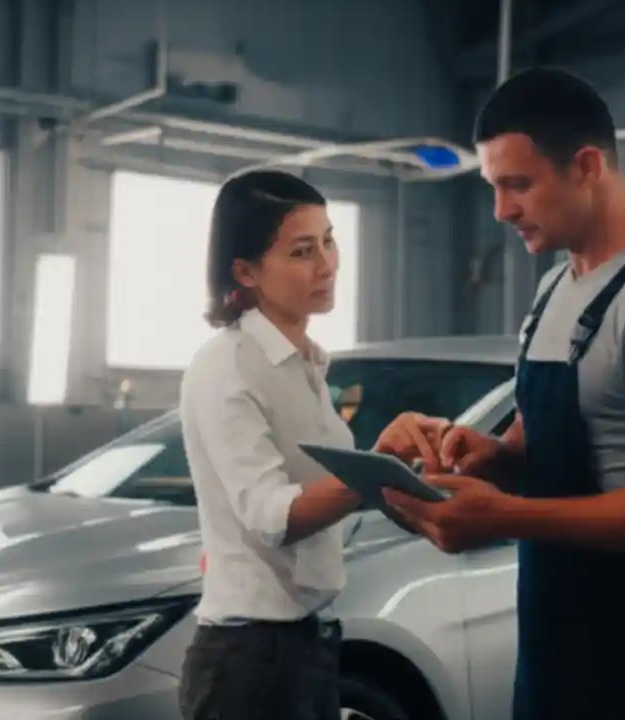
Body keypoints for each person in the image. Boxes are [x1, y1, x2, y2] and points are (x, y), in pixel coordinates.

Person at [383, 67, 625, 719]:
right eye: (493, 187)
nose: (500, 210)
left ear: (585, 167)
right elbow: (539, 443)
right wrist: (480, 453)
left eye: (517, 184)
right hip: (556, 639)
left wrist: (502, 517)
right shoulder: (557, 287)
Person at [177, 169, 426, 720]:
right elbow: (273, 516)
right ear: (244, 271)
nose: (327, 265)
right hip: (250, 660)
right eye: (301, 251)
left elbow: (331, 495)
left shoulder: (308, 363)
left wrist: (405, 473)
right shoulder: (227, 365)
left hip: (307, 644)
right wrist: (378, 468)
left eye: (330, 241)